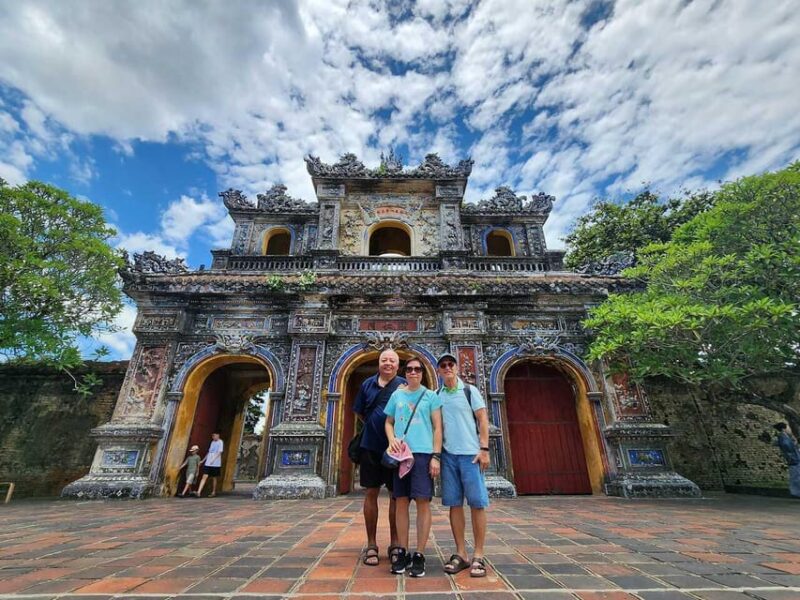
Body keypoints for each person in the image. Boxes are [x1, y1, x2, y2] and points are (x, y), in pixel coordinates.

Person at [384, 355, 442, 577]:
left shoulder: (430, 396)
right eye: (409, 369)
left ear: (423, 372)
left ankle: (419, 553)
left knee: (422, 501)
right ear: (404, 372)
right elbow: (388, 421)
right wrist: (391, 440)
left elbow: (438, 428)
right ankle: (403, 550)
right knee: (400, 501)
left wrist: (436, 456)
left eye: (417, 369)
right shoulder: (397, 394)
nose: (413, 372)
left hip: (423, 454)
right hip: (401, 454)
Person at [437, 352, 491, 578]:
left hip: (471, 455)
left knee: (477, 504)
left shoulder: (470, 390)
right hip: (449, 455)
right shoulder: (437, 395)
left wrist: (484, 448)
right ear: (439, 371)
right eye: (443, 365)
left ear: (457, 368)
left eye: (451, 364)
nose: (447, 368)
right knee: (454, 505)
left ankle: (478, 554)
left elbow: (483, 419)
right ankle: (461, 553)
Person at [353, 348, 405, 567]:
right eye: (384, 360)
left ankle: (395, 543)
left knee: (396, 495)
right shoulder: (367, 384)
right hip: (370, 446)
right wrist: (375, 425)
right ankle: (371, 543)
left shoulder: (404, 384)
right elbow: (359, 411)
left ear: (397, 363)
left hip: (396, 449)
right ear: (379, 363)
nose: (388, 363)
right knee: (371, 492)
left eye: (392, 360)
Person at [773, 422, 800, 498]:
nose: (790, 429)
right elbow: (787, 446)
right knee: (796, 478)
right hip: (794, 460)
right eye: (788, 427)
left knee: (796, 478)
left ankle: (796, 493)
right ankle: (796, 493)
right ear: (783, 429)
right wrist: (794, 445)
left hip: (795, 460)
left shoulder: (784, 437)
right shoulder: (783, 437)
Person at [196, 432, 223, 497]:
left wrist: (213, 459)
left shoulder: (220, 442)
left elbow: (220, 452)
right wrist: (203, 460)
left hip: (215, 464)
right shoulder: (212, 442)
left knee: (214, 477)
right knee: (204, 476)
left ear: (218, 435)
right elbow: (209, 452)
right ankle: (198, 492)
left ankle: (213, 492)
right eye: (212, 436)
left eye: (214, 435)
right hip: (208, 463)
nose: (213, 437)